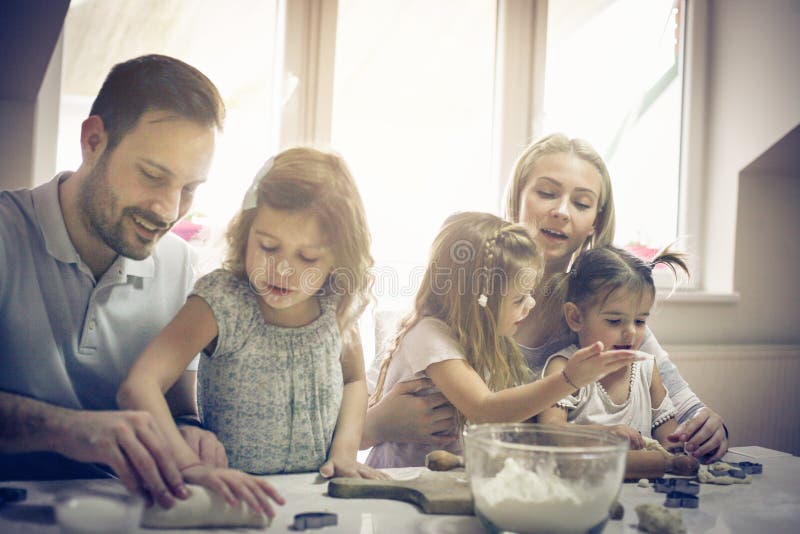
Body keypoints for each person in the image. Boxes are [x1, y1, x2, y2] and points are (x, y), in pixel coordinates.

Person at [365, 133, 728, 463]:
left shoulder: (604, 314)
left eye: (582, 203)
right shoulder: (455, 310)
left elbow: (682, 407)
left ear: (595, 224)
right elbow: (348, 422)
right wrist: (378, 425)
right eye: (547, 193)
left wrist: (708, 425)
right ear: (516, 200)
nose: (562, 211)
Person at [0, 54, 228, 508]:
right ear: (93, 140)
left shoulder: (180, 263)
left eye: (189, 189)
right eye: (152, 175)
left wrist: (190, 431)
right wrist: (71, 430)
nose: (168, 209)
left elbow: (178, 403)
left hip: (119, 512)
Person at [118, 147, 384, 507]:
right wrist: (190, 466)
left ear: (339, 256)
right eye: (269, 246)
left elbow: (354, 380)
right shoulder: (223, 301)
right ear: (245, 233)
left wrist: (345, 452)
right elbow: (139, 385)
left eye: (307, 257)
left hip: (317, 499)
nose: (283, 269)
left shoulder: (334, 302)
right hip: (231, 501)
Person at [365, 212, 643, 468]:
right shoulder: (428, 336)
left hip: (445, 477)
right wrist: (568, 381)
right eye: (519, 298)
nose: (531, 304)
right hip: (399, 481)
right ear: (478, 299)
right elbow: (486, 409)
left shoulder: (488, 339)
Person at [537, 246, 689, 450]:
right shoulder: (564, 368)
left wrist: (685, 447)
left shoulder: (647, 369)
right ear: (575, 317)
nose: (631, 333)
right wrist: (605, 434)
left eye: (639, 321)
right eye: (615, 321)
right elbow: (551, 431)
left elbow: (669, 437)